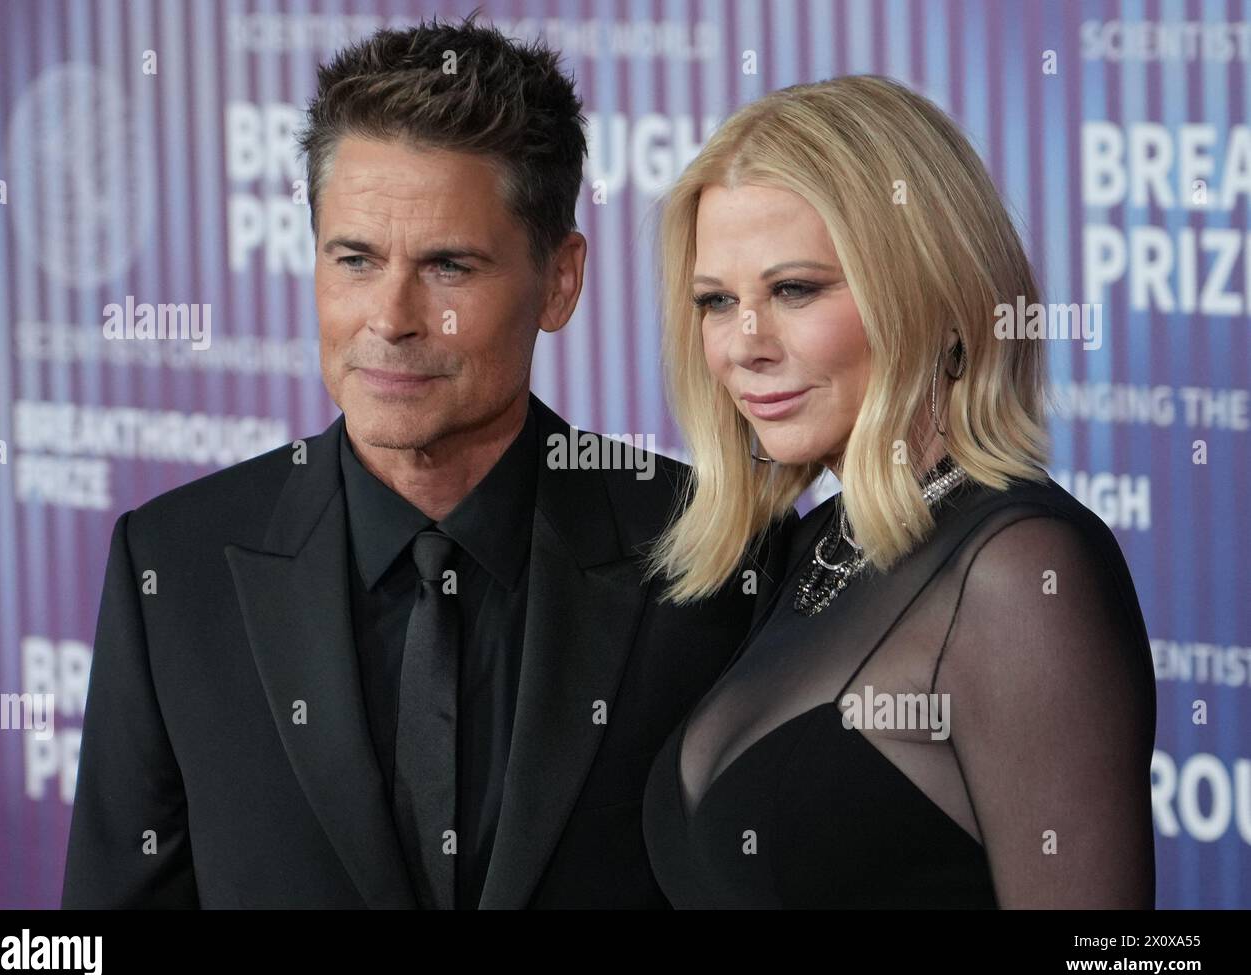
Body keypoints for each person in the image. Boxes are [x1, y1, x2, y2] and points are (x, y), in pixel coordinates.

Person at [61, 14, 789, 910]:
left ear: (560, 281)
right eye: (356, 259)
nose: (393, 317)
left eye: (449, 265)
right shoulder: (174, 565)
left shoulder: (713, 552)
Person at [641, 75, 1157, 908]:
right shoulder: (819, 547)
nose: (745, 344)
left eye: (795, 289)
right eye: (715, 301)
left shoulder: (1018, 572)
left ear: (934, 289)